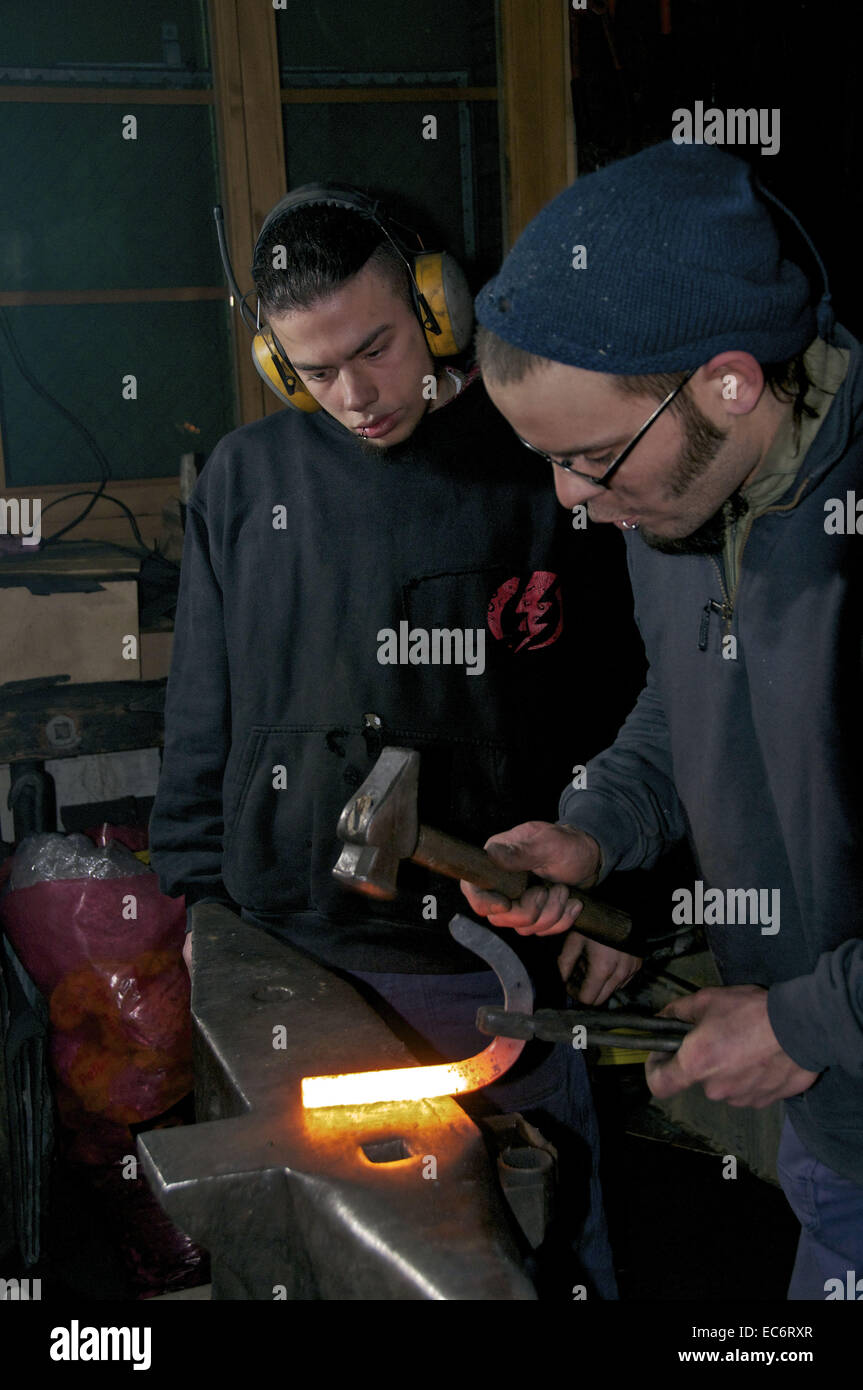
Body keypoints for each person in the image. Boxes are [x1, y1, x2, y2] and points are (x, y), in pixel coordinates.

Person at [149, 185, 647, 1298]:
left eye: (374, 348)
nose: (354, 395)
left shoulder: (544, 467)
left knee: (527, 1251)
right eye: (313, 370)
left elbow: (632, 704)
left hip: (485, 964)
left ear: (435, 305)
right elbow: (202, 716)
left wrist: (640, 888)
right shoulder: (243, 480)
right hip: (286, 957)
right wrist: (200, 916)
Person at [462, 140, 863, 1301]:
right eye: (545, 462)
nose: (570, 504)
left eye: (590, 458)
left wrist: (804, 1019)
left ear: (728, 381)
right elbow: (690, 701)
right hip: (833, 1123)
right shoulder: (677, 513)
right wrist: (594, 827)